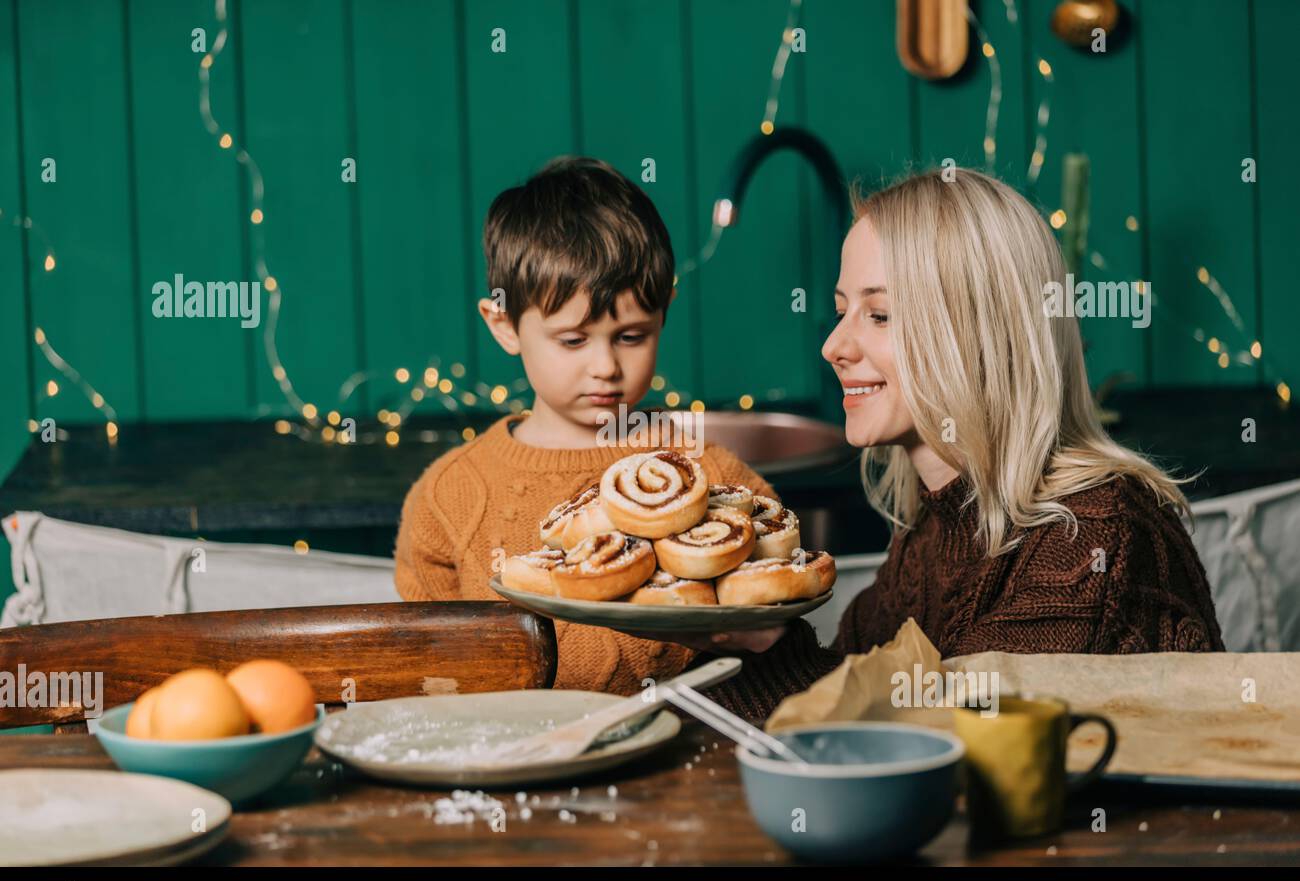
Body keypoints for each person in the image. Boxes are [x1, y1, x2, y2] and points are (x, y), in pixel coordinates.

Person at [395, 157, 840, 719]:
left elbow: (783, 658)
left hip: (687, 771)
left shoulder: (715, 483)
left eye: (631, 336)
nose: (605, 366)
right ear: (504, 324)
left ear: (664, 313)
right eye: (573, 340)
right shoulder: (447, 499)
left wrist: (766, 636)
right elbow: (429, 681)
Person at [824, 167, 1223, 658]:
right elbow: (831, 699)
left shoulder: (1094, 540)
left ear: (980, 332)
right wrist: (745, 633)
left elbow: (938, 725)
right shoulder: (929, 535)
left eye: (880, 315)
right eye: (842, 310)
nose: (833, 346)